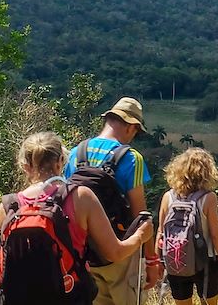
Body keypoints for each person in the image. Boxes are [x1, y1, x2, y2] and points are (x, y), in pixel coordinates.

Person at [0, 132, 154, 304]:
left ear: (25, 166)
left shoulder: (8, 207)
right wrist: (141, 236)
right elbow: (115, 253)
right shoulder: (80, 197)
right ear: (60, 162)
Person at [64, 97, 163, 305]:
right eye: (136, 131)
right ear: (130, 126)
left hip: (85, 255)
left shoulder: (75, 154)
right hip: (122, 251)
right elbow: (141, 216)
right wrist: (152, 260)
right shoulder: (131, 158)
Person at [157, 148, 218, 305]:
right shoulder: (209, 198)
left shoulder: (167, 197)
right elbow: (216, 234)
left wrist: (159, 261)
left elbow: (161, 233)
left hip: (176, 260)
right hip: (206, 260)